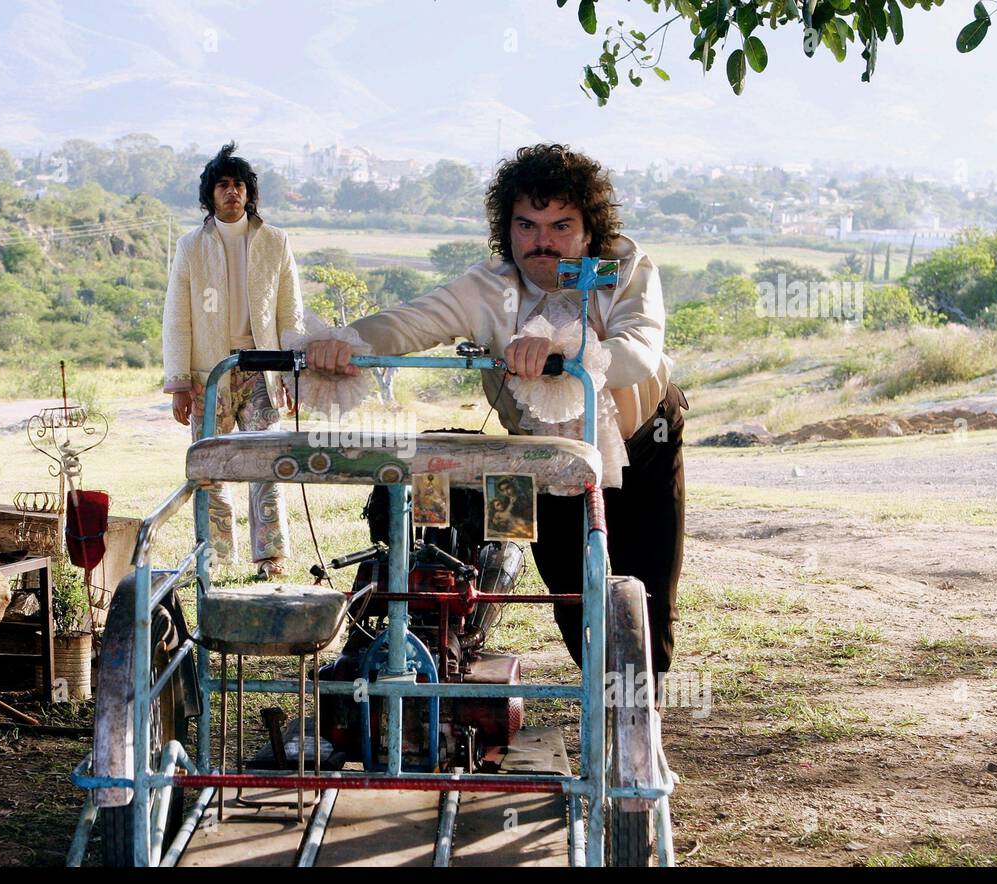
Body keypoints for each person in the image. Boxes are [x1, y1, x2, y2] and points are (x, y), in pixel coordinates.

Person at [306, 144, 687, 680]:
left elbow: (639, 350)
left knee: (644, 594)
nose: (543, 242)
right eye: (526, 226)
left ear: (589, 229)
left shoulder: (626, 269)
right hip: (545, 454)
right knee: (573, 595)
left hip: (645, 441)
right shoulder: (487, 288)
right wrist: (344, 344)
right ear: (506, 228)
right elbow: (407, 323)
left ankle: (642, 738)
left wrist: (567, 355)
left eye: (561, 226)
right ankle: (602, 711)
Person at [163, 142, 305, 579]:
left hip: (263, 372)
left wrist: (293, 379)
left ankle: (272, 558)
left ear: (249, 193)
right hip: (210, 376)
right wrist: (179, 382)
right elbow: (177, 316)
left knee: (268, 465)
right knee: (211, 468)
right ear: (210, 194)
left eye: (239, 184)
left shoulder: (275, 242)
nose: (232, 192)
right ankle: (214, 557)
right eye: (223, 185)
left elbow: (290, 312)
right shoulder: (191, 247)